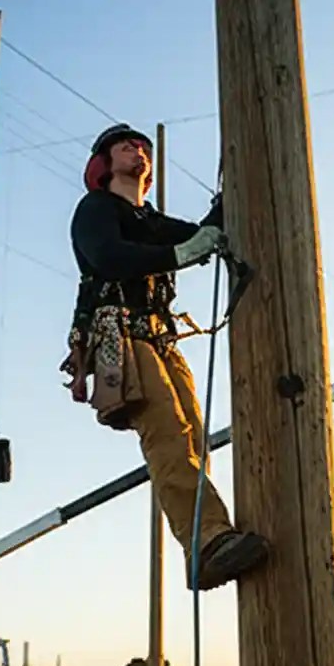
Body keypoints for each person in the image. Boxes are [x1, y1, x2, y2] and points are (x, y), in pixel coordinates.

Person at [61, 123, 270, 592]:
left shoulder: (148, 220)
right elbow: (110, 257)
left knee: (194, 435)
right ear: (102, 163)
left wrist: (231, 184)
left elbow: (204, 233)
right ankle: (211, 539)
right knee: (168, 435)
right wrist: (183, 252)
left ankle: (202, 546)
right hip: (123, 338)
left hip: (161, 339)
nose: (137, 150)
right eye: (125, 145)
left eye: (142, 147)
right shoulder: (95, 210)